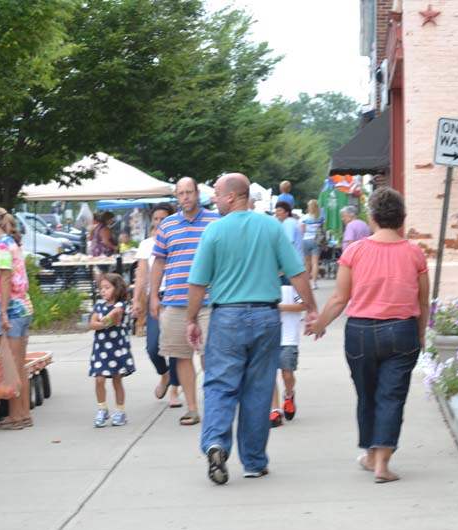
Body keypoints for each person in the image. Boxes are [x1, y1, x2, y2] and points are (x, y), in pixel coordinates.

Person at [186, 172, 318, 485]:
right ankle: (254, 461)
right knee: (258, 390)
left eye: (217, 193)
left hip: (227, 317)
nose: (214, 199)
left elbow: (198, 282)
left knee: (220, 384)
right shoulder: (271, 227)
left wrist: (192, 319)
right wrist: (311, 308)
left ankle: (216, 443)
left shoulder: (214, 232)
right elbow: (297, 272)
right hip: (265, 316)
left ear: (232, 196)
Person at [308, 187, 429, 484]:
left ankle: (371, 453)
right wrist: (421, 333)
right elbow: (424, 300)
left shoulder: (355, 251)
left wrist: (320, 323)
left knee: (367, 395)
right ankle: (381, 464)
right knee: (392, 396)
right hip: (401, 331)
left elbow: (339, 297)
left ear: (372, 217)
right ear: (401, 218)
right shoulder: (414, 253)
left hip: (360, 332)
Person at [149, 177, 218, 426]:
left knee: (209, 355)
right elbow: (158, 262)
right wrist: (154, 295)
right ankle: (191, 407)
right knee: (180, 356)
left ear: (198, 193)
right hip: (176, 300)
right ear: (176, 197)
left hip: (209, 301)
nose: (186, 197)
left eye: (189, 192)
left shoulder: (214, 221)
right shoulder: (167, 225)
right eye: (181, 193)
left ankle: (214, 405)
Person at [0, 207, 34, 431]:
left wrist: (2, 312)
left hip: (11, 310)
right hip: (23, 307)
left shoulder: (2, 245)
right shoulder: (14, 243)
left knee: (10, 364)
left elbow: (4, 279)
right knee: (20, 364)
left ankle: (15, 416)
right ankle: (23, 413)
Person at [132, 202, 181, 408]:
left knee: (177, 348)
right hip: (156, 297)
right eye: (156, 219)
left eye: (164, 218)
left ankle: (175, 390)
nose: (160, 222)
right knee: (153, 347)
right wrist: (137, 299)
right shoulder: (147, 245)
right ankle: (165, 374)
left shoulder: (178, 240)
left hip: (177, 295)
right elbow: (142, 276)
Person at [89, 273, 135, 427]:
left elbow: (115, 315)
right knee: (99, 379)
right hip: (101, 348)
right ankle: (102, 408)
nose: (103, 291)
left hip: (117, 349)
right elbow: (92, 323)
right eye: (101, 288)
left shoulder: (122, 305)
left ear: (117, 289)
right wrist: (104, 323)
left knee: (117, 379)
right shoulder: (99, 305)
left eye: (107, 288)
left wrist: (103, 321)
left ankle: (120, 411)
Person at [269, 277, 304, 428]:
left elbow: (303, 305)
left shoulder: (292, 283)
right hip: (268, 335)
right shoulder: (263, 282)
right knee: (269, 375)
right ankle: (275, 410)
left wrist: (280, 307)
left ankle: (289, 394)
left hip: (288, 337)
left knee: (287, 374)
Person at [300, 199, 325, 289]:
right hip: (316, 241)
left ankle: (306, 283)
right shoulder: (320, 218)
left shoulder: (304, 217)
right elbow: (323, 229)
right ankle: (314, 283)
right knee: (315, 263)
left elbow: (301, 231)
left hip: (305, 240)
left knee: (307, 263)